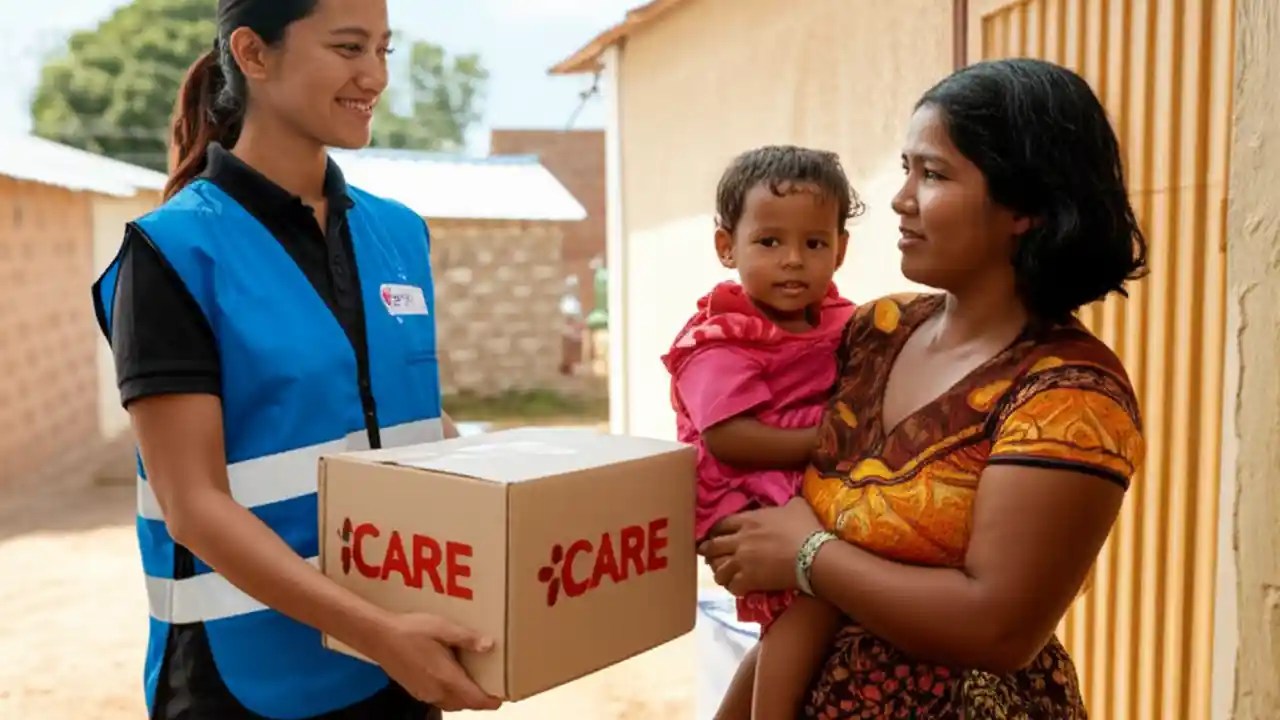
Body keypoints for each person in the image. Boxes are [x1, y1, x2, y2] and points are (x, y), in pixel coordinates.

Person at [698, 57, 1149, 718]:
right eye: (906, 168)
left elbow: (998, 627)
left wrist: (805, 555)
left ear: (1024, 207)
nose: (902, 198)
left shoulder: (1069, 394)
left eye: (933, 174)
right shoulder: (874, 332)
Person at [90, 1, 502, 718]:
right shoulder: (172, 253)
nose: (373, 75)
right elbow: (194, 507)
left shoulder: (398, 233)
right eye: (348, 48)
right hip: (246, 678)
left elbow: (400, 420)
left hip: (402, 659)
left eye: (384, 50)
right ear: (253, 53)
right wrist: (379, 633)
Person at [660, 145, 859, 719]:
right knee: (810, 606)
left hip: (797, 486)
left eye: (814, 244)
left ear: (839, 251)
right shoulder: (723, 338)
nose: (793, 260)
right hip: (742, 495)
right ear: (728, 247)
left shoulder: (842, 322)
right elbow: (730, 438)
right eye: (770, 242)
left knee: (800, 618)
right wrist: (831, 442)